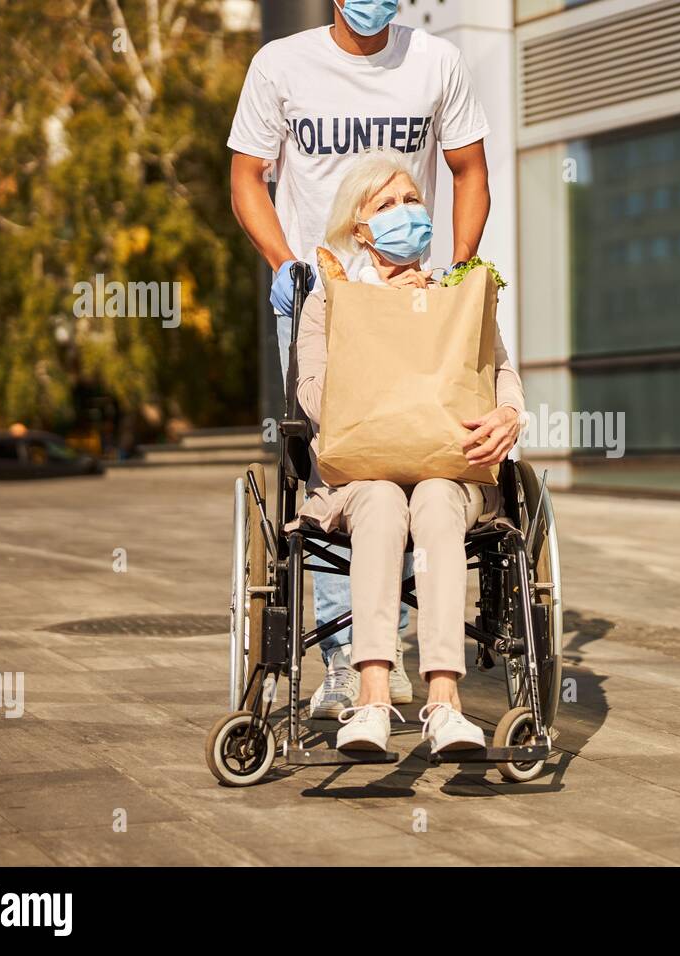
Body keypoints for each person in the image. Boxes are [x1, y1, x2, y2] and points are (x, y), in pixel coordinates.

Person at [227, 0, 492, 718]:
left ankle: (396, 649)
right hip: (323, 300)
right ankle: (349, 658)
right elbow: (248, 176)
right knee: (341, 461)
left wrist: (460, 275)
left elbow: (469, 172)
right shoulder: (281, 65)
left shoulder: (435, 62)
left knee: (417, 453)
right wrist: (285, 263)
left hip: (412, 297)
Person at [294, 150, 523, 753]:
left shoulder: (459, 293)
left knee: (438, 499)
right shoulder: (331, 302)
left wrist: (507, 417)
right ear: (359, 230)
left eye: (412, 200)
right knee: (379, 502)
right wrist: (385, 323)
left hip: (448, 468)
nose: (405, 214)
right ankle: (372, 698)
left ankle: (444, 702)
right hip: (363, 475)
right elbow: (313, 394)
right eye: (386, 205)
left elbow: (501, 374)